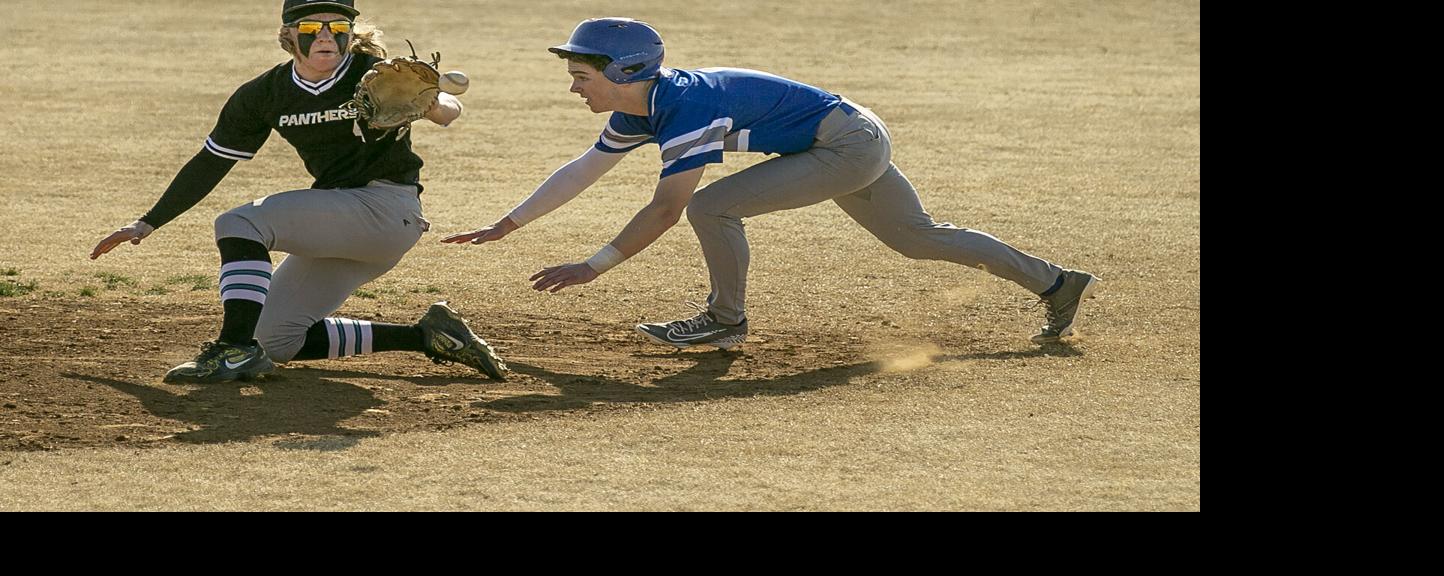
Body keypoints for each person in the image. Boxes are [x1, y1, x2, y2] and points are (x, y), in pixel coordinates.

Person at [444, 17, 1097, 349]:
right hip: (847, 135)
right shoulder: (640, 108)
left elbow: (666, 209)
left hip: (845, 144)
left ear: (625, 71)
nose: (573, 87)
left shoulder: (685, 110)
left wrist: (594, 266)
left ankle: (724, 321)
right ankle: (1057, 283)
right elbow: (583, 170)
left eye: (581, 76)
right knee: (918, 238)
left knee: (709, 207)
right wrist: (509, 224)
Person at [91, 0, 507, 383]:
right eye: (311, 27)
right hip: (343, 222)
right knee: (274, 339)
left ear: (349, 34)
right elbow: (212, 161)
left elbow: (449, 112)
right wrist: (148, 222)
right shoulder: (266, 93)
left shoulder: (372, 72)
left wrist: (434, 105)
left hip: (386, 209)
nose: (325, 35)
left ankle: (233, 350)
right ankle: (428, 336)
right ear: (288, 35)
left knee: (240, 222)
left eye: (337, 27)